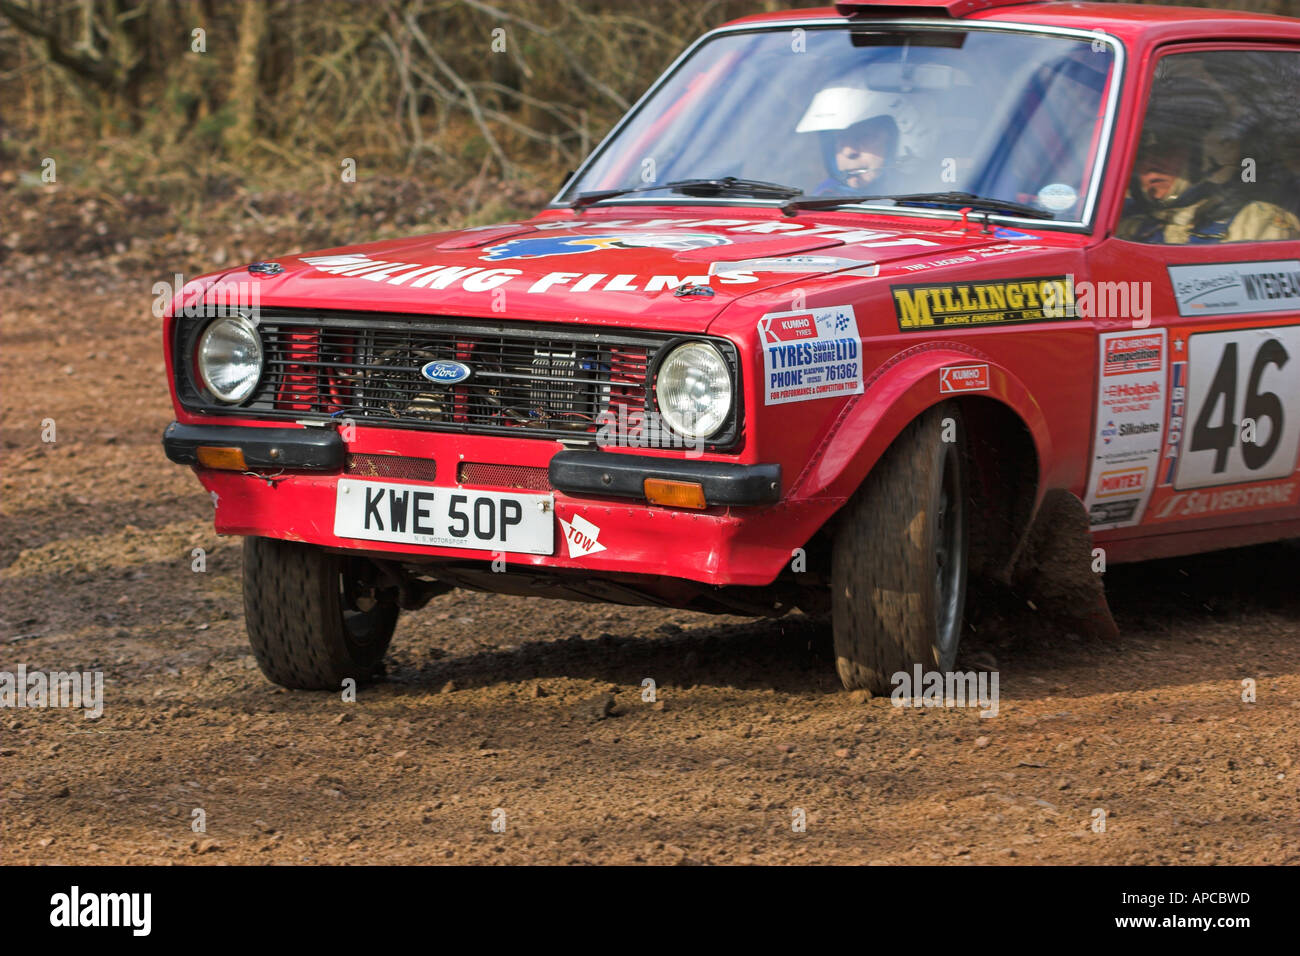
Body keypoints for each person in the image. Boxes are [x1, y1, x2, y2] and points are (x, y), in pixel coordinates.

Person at [1117, 76, 1300, 243]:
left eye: (1165, 150)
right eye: (1141, 156)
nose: (1150, 169)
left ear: (1204, 156)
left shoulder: (1255, 226)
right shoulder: (1117, 222)